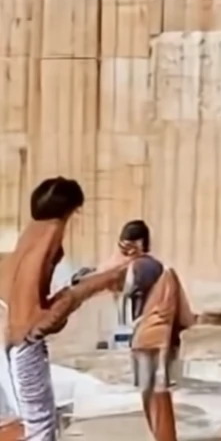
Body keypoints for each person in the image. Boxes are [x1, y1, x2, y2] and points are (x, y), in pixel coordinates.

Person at [0, 178, 133, 441]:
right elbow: (34, 322)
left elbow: (38, 308)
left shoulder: (28, 239)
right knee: (37, 429)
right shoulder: (49, 237)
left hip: (10, 340)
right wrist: (97, 284)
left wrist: (93, 281)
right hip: (20, 344)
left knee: (26, 422)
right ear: (72, 211)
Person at [116, 220, 194, 441]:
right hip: (166, 336)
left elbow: (126, 293)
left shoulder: (137, 267)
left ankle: (158, 435)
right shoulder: (161, 268)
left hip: (146, 335)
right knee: (161, 389)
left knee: (148, 390)